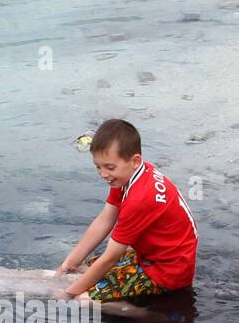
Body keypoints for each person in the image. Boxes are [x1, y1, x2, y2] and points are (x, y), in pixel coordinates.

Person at [56, 119, 198, 300]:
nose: (103, 174)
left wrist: (69, 293)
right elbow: (105, 219)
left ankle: (150, 316)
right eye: (98, 166)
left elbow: (111, 257)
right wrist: (70, 261)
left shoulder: (140, 198)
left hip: (167, 273)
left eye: (109, 167)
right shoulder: (130, 175)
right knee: (82, 269)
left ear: (135, 161)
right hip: (155, 256)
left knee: (83, 299)